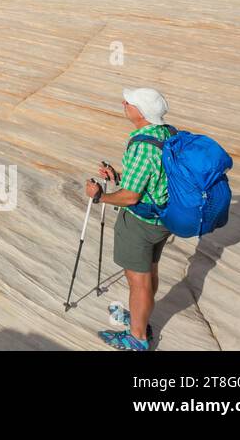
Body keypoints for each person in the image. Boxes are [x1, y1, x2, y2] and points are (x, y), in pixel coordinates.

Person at [85, 87, 174, 351]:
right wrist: (118, 176)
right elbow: (153, 178)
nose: (124, 103)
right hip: (162, 219)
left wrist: (100, 195)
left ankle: (137, 338)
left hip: (140, 223)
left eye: (130, 102)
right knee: (149, 273)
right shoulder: (167, 133)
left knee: (139, 280)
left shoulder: (143, 146)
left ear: (142, 112)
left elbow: (131, 198)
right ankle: (140, 317)